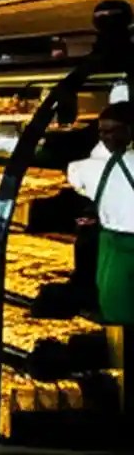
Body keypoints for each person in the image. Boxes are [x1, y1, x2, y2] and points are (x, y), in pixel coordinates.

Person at [68, 101, 134, 324]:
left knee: (118, 312)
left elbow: (73, 176)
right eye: (101, 132)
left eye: (109, 131)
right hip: (116, 245)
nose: (105, 137)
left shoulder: (91, 168)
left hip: (116, 247)